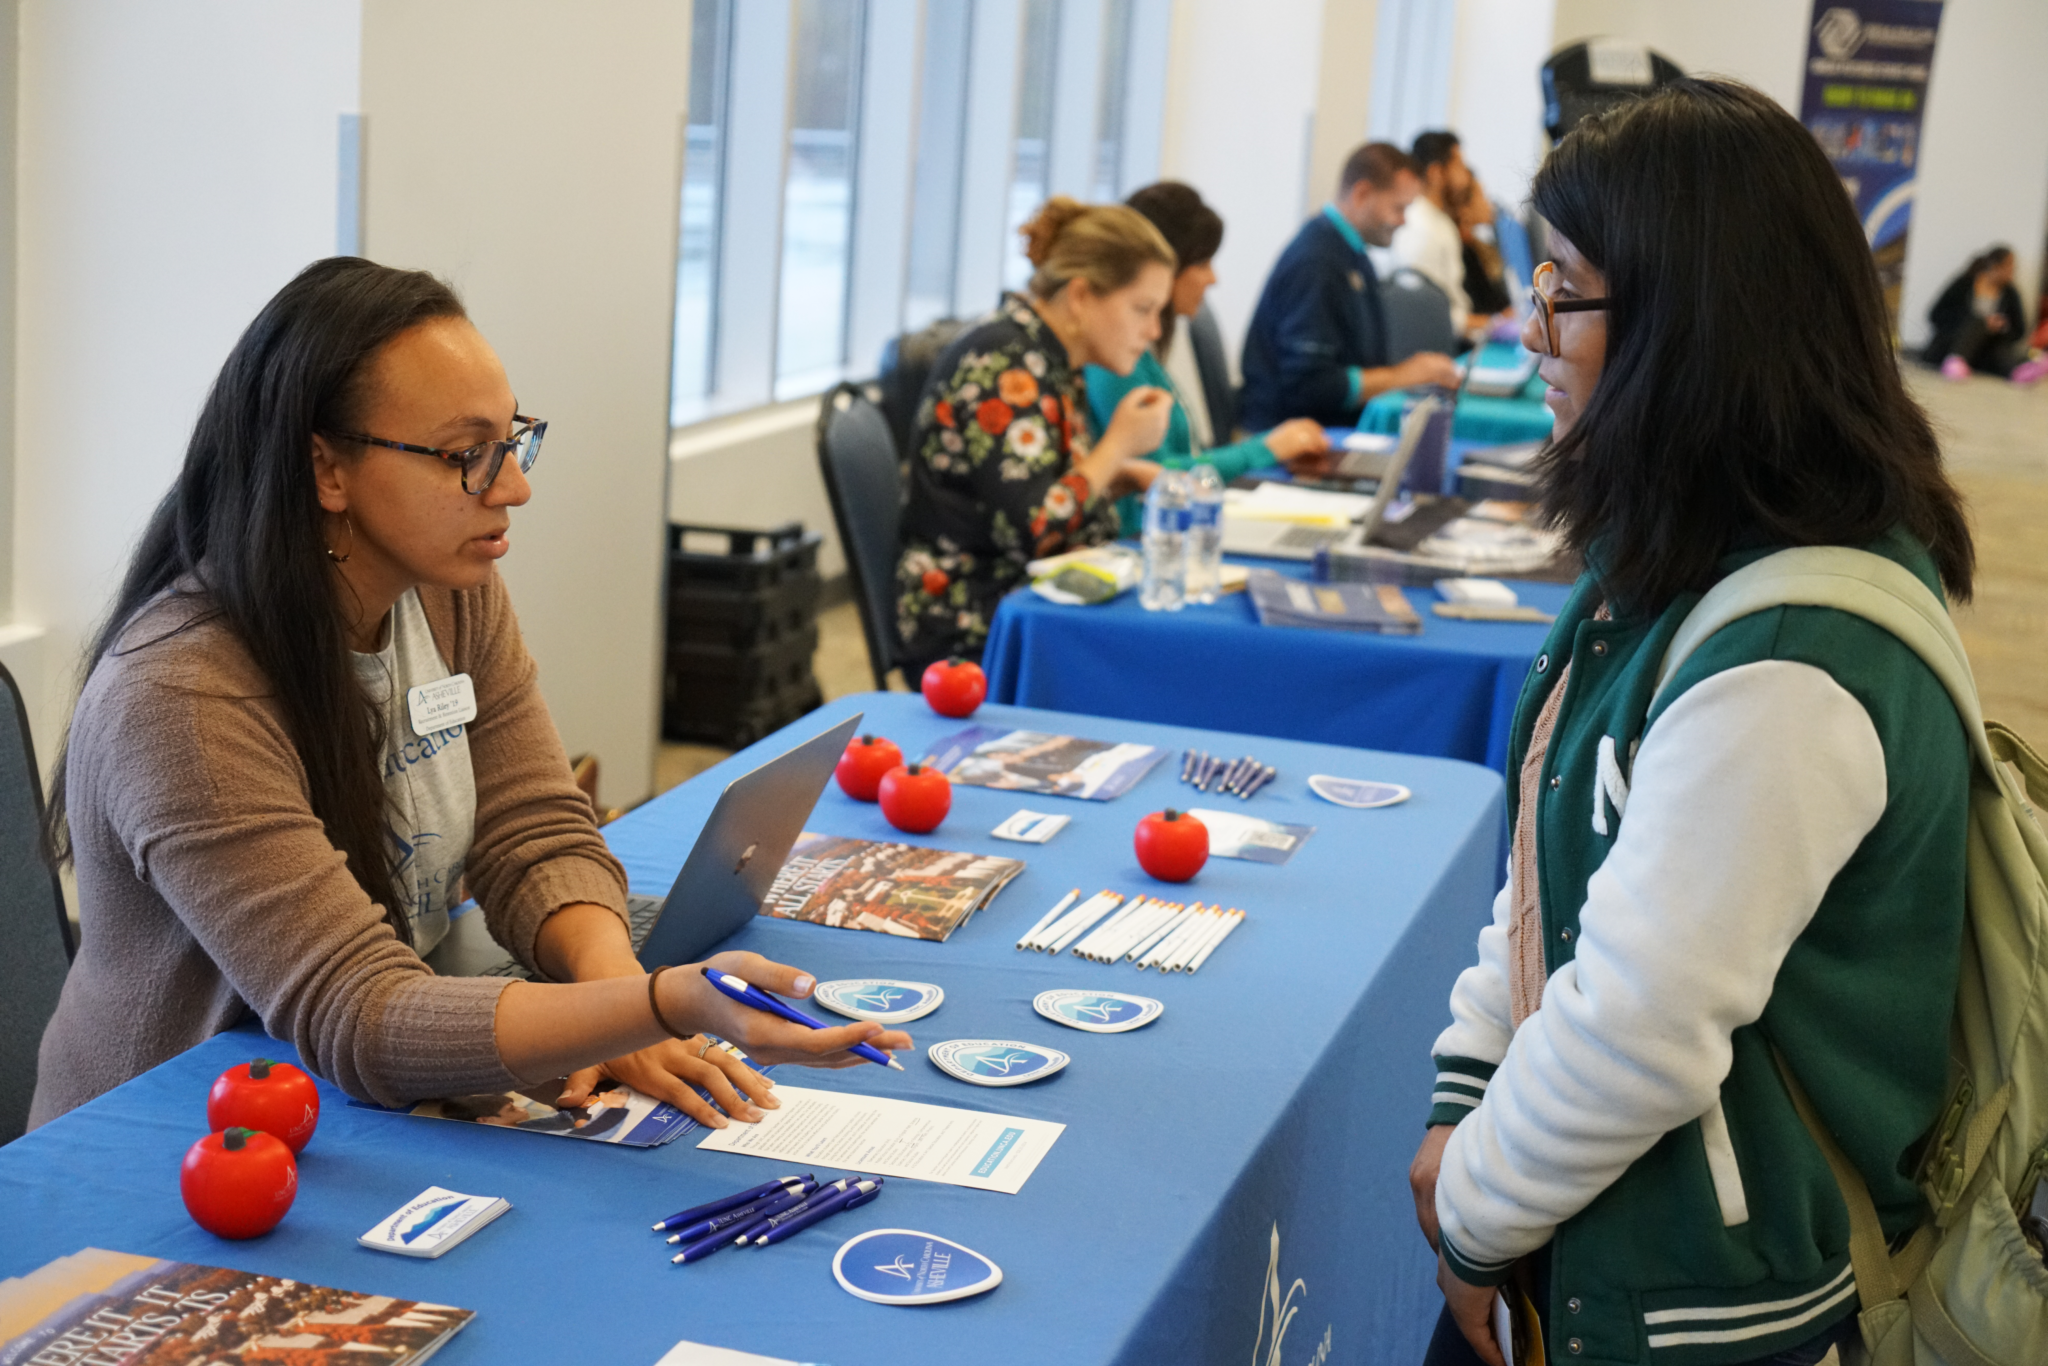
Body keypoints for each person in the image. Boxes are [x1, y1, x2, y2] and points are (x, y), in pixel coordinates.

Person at [30, 258, 912, 1133]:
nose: (514, 489)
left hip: (347, 1102)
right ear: (326, 471)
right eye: (466, 457)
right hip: (165, 1140)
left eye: (512, 441)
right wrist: (659, 1005)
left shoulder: (448, 586)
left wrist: (616, 994)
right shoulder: (181, 701)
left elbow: (531, 832)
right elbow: (363, 1015)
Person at [1406, 79, 1975, 1366]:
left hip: (1707, 1303)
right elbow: (1549, 863)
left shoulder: (1788, 654)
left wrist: (1474, 1216)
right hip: (1598, 1238)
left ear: (1689, 319)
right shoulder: (1668, 558)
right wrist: (1463, 1091)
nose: (1529, 332)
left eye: (1561, 289)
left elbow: (1634, 1032)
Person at [894, 198, 1175, 670]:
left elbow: (1034, 484)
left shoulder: (1046, 354)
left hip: (1020, 600)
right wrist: (1117, 447)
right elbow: (1032, 530)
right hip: (972, 623)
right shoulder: (1005, 364)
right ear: (1082, 297)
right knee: (1166, 657)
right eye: (1142, 309)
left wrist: (1118, 473)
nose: (1153, 330)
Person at [1083, 182, 1332, 532]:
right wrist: (1265, 448)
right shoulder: (1112, 360)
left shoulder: (1147, 350)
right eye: (1202, 262)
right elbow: (1157, 472)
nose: (1212, 278)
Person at [1240, 143, 1460, 430]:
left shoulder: (1348, 251)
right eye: (1398, 208)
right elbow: (1309, 386)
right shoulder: (1317, 263)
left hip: (1326, 427)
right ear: (1362, 194)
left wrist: (1410, 373)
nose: (1404, 221)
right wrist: (1403, 376)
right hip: (1293, 435)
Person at [1392, 131, 1478, 337]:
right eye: (1458, 166)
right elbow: (1421, 313)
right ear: (1435, 173)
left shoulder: (1441, 222)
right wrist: (1492, 324)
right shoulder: (1420, 229)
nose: (1466, 178)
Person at [1922, 245, 2046, 383]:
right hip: (1953, 342)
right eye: (2009, 266)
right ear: (1995, 266)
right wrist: (1973, 320)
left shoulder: (2010, 294)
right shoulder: (1964, 284)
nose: (2013, 271)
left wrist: (2001, 327)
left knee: (1999, 350)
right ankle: (1956, 360)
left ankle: (2018, 370)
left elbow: (2019, 330)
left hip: (1986, 349)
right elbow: (1935, 315)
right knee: (1980, 322)